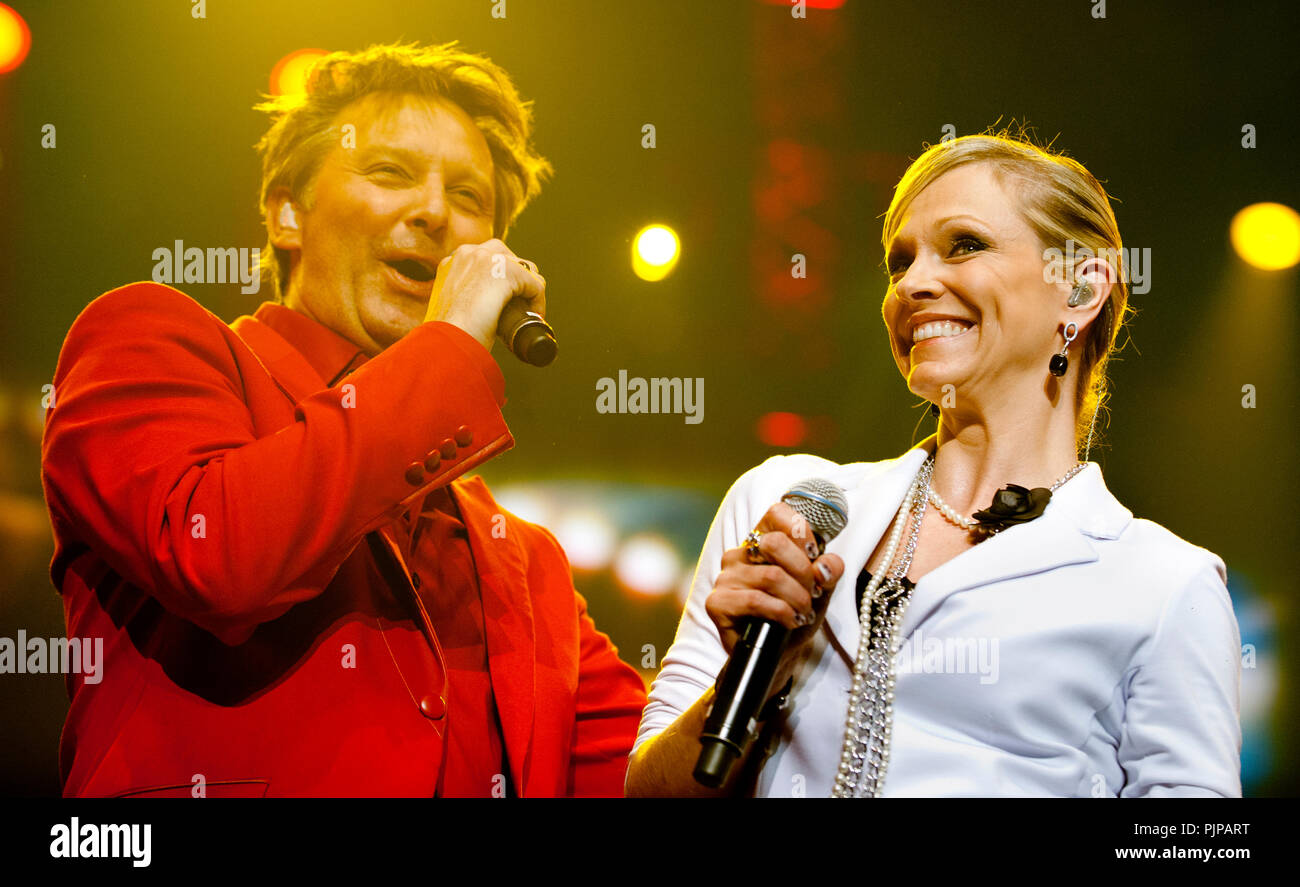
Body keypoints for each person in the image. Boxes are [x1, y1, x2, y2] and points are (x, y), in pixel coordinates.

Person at [41, 41, 647, 798]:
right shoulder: (146, 340)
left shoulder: (523, 564)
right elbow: (220, 561)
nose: (434, 212)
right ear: (286, 212)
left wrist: (764, 650)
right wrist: (452, 344)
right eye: (391, 172)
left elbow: (641, 781)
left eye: (470, 197)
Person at [628, 130, 1242, 798]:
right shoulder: (787, 505)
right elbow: (649, 792)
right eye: (900, 261)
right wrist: (752, 684)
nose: (913, 284)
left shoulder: (1161, 584)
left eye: (965, 244)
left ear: (1079, 288)